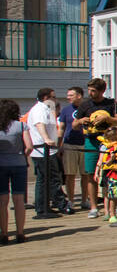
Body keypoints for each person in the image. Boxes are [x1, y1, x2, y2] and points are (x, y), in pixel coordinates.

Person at [72, 78, 117, 219]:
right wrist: (81, 121)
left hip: (109, 141)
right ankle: (94, 207)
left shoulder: (111, 103)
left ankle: (110, 208)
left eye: (93, 90)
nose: (90, 93)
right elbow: (74, 125)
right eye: (89, 90)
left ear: (101, 91)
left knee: (110, 173)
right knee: (90, 174)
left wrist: (107, 119)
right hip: (91, 141)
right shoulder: (85, 105)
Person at [27, 88, 66, 218]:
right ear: (45, 98)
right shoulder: (39, 109)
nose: (55, 99)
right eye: (53, 97)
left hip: (49, 150)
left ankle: (45, 206)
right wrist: (46, 139)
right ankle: (50, 206)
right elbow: (39, 124)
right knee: (48, 179)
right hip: (43, 151)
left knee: (46, 179)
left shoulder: (47, 109)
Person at [0, 99, 30, 243]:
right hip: (19, 163)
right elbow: (29, 146)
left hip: (1, 164)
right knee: (18, 199)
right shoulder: (21, 126)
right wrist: (23, 155)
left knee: (2, 200)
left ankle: (4, 233)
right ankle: (20, 232)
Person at [58, 86, 89, 210]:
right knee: (70, 174)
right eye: (68, 95)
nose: (68, 97)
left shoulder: (87, 108)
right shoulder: (65, 110)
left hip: (86, 144)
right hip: (69, 144)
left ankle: (84, 200)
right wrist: (59, 145)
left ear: (79, 96)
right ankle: (70, 200)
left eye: (71, 95)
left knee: (85, 174)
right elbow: (61, 128)